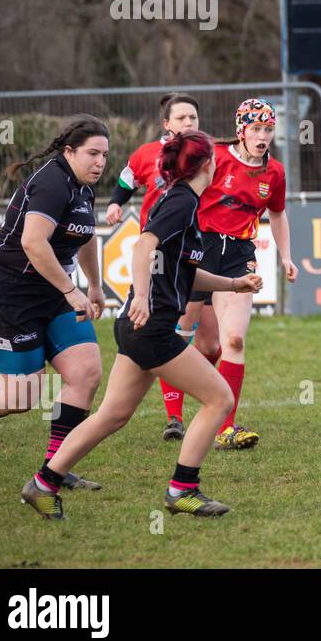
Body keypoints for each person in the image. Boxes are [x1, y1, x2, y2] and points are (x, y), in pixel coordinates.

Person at [19, 131, 264, 520]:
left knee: (112, 414)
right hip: (150, 329)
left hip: (139, 329)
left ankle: (43, 483)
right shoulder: (183, 200)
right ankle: (182, 489)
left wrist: (234, 284)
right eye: (215, 157)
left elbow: (186, 275)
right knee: (220, 400)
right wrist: (142, 298)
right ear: (206, 165)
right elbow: (142, 244)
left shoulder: (185, 202)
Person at [0, 117, 109, 489]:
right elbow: (33, 243)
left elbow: (85, 235)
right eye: (92, 153)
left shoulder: (83, 186)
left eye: (105, 155)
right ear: (69, 151)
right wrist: (71, 291)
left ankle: (53, 470)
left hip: (52, 293)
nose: (100, 162)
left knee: (86, 372)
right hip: (7, 294)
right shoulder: (52, 182)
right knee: (23, 395)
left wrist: (93, 284)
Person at [164, 98, 298, 450]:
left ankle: (226, 427)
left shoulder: (276, 172)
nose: (263, 135)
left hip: (240, 254)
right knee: (185, 336)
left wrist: (286, 257)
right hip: (200, 248)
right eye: (256, 128)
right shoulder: (216, 157)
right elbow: (184, 195)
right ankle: (174, 418)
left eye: (268, 129)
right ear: (241, 130)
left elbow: (278, 215)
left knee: (233, 340)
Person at [104, 92, 221, 442]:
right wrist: (113, 204)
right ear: (166, 124)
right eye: (181, 118)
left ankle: (49, 473)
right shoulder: (150, 159)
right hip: (160, 258)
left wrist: (233, 281)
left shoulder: (204, 155)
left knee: (211, 343)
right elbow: (126, 183)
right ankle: (176, 421)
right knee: (175, 338)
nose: (188, 123)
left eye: (193, 118)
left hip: (195, 250)